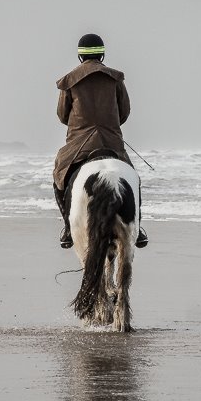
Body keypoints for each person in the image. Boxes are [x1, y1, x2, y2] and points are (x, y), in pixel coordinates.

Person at [53, 33, 147, 249]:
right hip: (111, 140)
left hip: (80, 143)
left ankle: (68, 228)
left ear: (80, 56)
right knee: (133, 178)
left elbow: (61, 115)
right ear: (102, 54)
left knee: (59, 175)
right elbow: (124, 112)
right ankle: (138, 228)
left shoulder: (69, 81)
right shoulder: (115, 78)